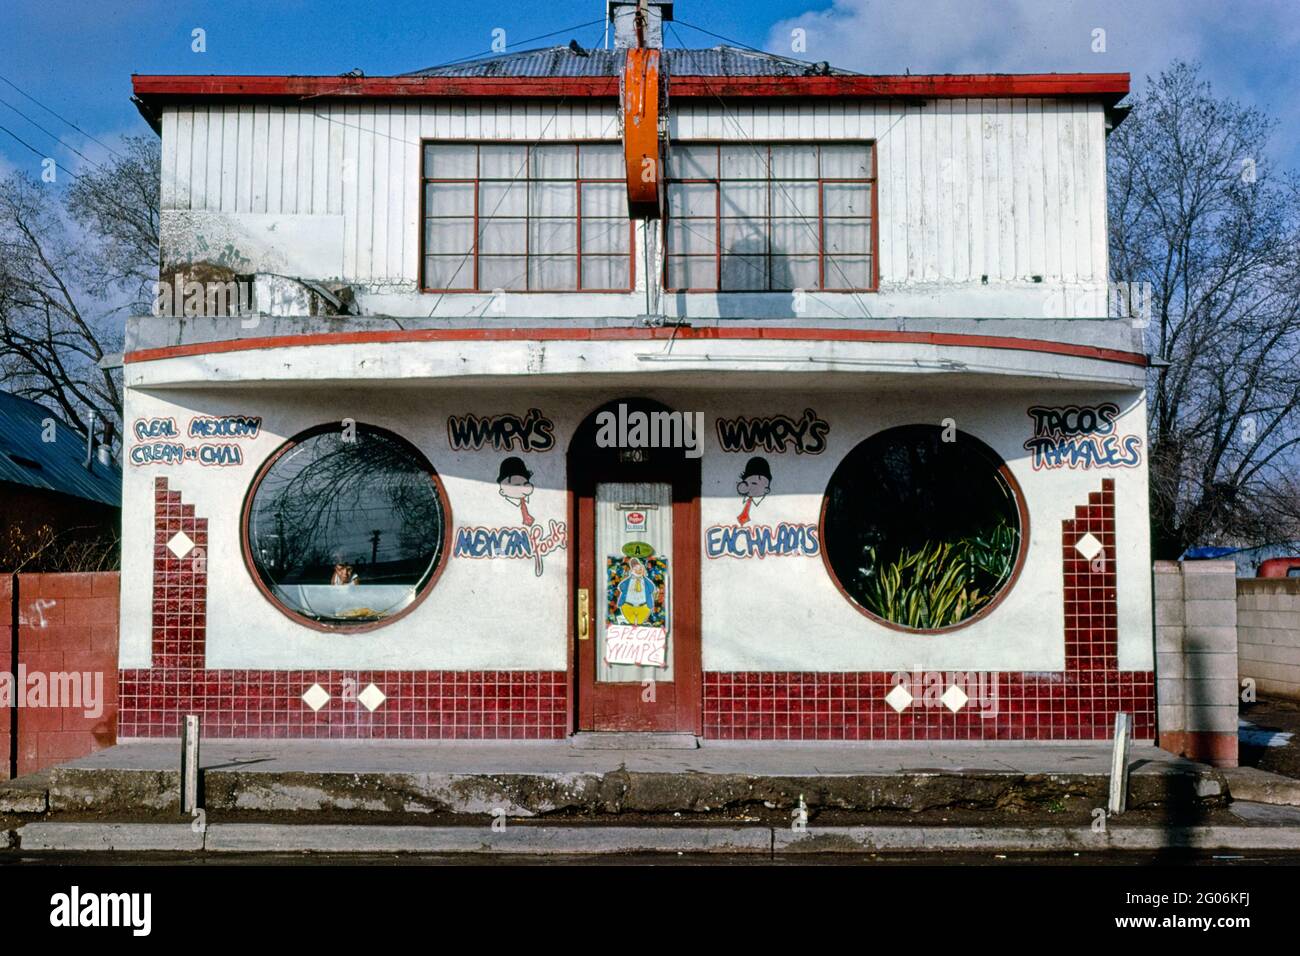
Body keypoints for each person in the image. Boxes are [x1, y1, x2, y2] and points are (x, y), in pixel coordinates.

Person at [615, 556, 656, 625]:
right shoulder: (628, 581)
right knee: (630, 621)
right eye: (635, 569)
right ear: (632, 570)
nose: (638, 571)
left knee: (640, 622)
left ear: (643, 569)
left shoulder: (646, 582)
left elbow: (652, 589)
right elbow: (620, 587)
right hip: (628, 605)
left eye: (640, 569)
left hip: (644, 606)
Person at [736, 456, 771, 525]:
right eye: (747, 482)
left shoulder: (767, 506)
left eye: (754, 484)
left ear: (766, 489)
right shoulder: (744, 499)